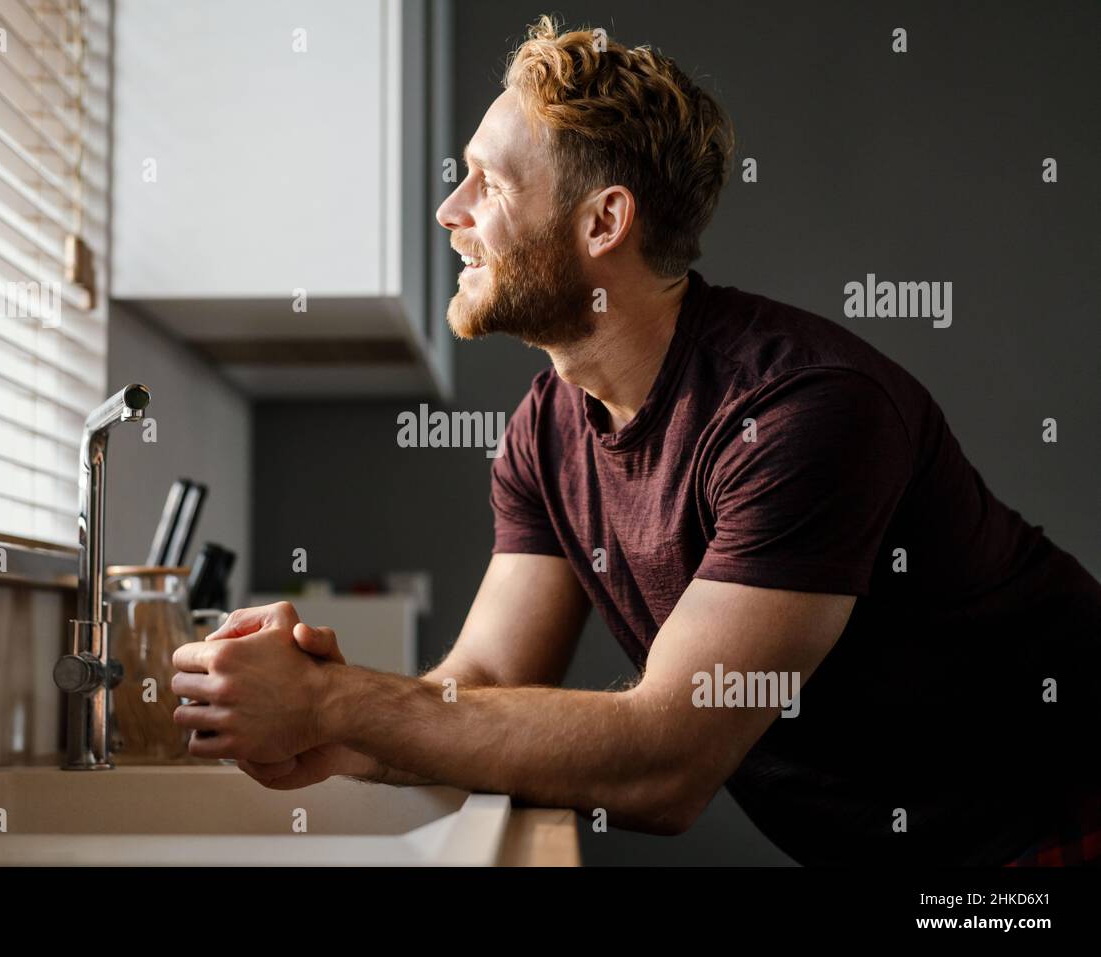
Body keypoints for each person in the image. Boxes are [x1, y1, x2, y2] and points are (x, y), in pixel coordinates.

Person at [171, 16, 1100, 866]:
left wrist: (336, 701)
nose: (452, 211)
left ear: (604, 222)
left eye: (489, 182)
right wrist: (329, 732)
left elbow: (665, 762)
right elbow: (485, 679)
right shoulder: (547, 425)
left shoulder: (802, 414)